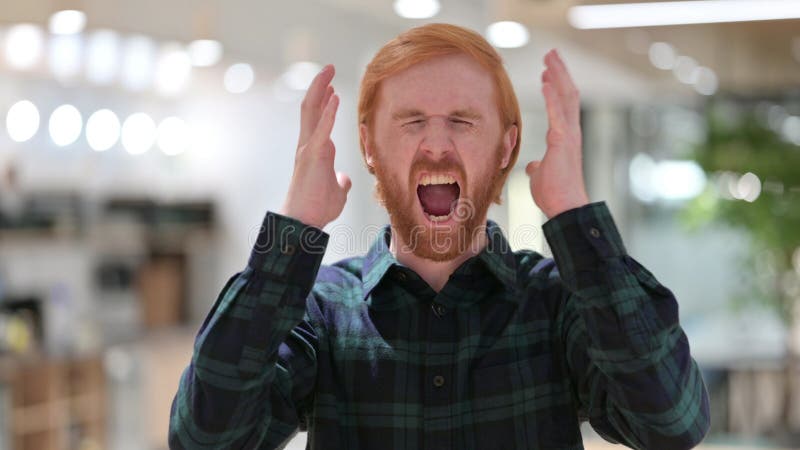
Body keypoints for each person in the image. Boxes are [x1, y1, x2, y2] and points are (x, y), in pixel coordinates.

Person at [169, 23, 710, 449]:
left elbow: (671, 423)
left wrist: (574, 214)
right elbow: (204, 439)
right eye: (410, 121)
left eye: (463, 120)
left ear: (505, 146)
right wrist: (295, 228)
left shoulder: (556, 302)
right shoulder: (323, 313)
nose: (435, 146)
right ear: (370, 147)